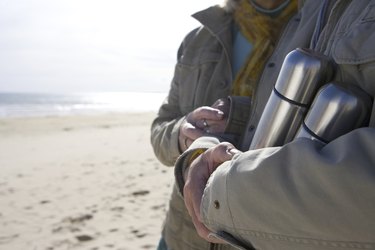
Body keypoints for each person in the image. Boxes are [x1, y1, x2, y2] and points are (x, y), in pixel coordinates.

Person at [175, 0, 375, 249]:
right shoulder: (312, 11)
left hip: (235, 216)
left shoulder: (296, 17)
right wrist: (201, 145)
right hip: (191, 230)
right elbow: (262, 121)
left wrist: (223, 191)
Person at [150, 0, 298, 249]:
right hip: (182, 235)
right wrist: (181, 133)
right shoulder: (199, 39)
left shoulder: (324, 29)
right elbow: (160, 128)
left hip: (261, 234)